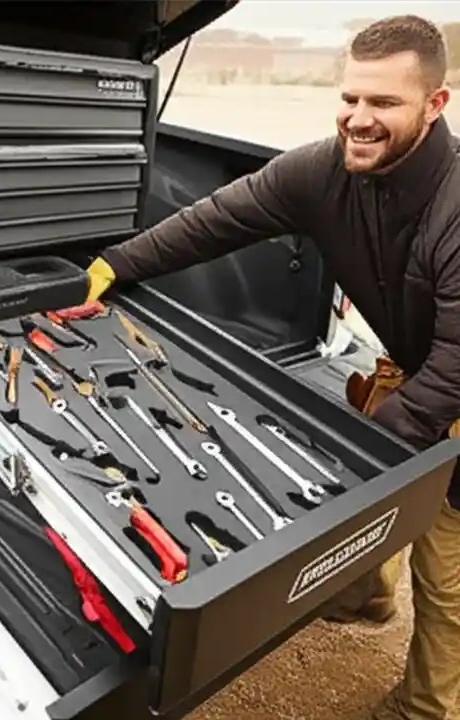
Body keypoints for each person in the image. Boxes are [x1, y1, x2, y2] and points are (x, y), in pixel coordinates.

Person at [84, 15, 460, 720]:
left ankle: (425, 708)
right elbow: (216, 219)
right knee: (373, 514)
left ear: (434, 105)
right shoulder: (323, 170)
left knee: (445, 580)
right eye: (350, 97)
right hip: (417, 371)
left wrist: (373, 457)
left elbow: (456, 367)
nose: (358, 118)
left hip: (455, 385)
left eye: (383, 103)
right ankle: (368, 594)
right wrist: (114, 265)